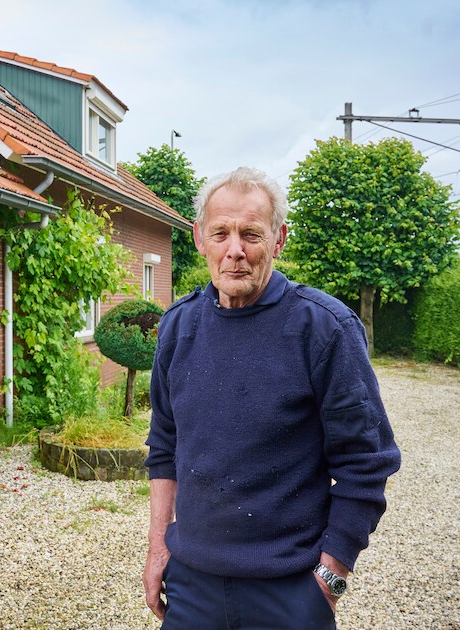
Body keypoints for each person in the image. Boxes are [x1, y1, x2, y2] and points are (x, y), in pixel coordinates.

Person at [142, 166, 401, 628]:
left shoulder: (324, 329)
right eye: (220, 233)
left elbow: (367, 463)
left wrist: (330, 578)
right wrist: (158, 547)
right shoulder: (179, 327)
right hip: (191, 586)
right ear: (200, 239)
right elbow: (164, 446)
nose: (235, 250)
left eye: (251, 234)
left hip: (290, 589)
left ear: (279, 240)